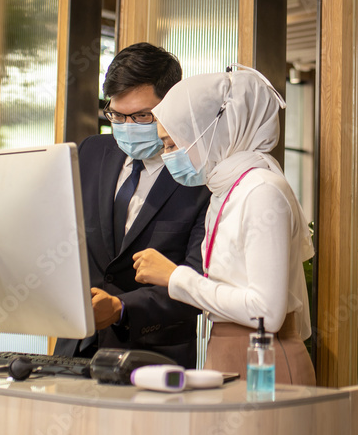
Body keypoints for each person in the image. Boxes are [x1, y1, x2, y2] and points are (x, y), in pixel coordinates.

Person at [132, 66, 316, 386]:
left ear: (210, 133)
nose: (167, 156)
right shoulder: (226, 190)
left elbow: (266, 314)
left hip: (265, 361)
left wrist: (176, 277)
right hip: (230, 353)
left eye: (173, 144)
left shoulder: (261, 191)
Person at [54, 43, 209, 367]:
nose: (127, 126)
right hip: (75, 349)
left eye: (142, 115)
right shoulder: (91, 152)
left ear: (172, 107)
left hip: (153, 358)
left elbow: (197, 281)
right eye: (117, 115)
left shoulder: (199, 174)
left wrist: (122, 308)